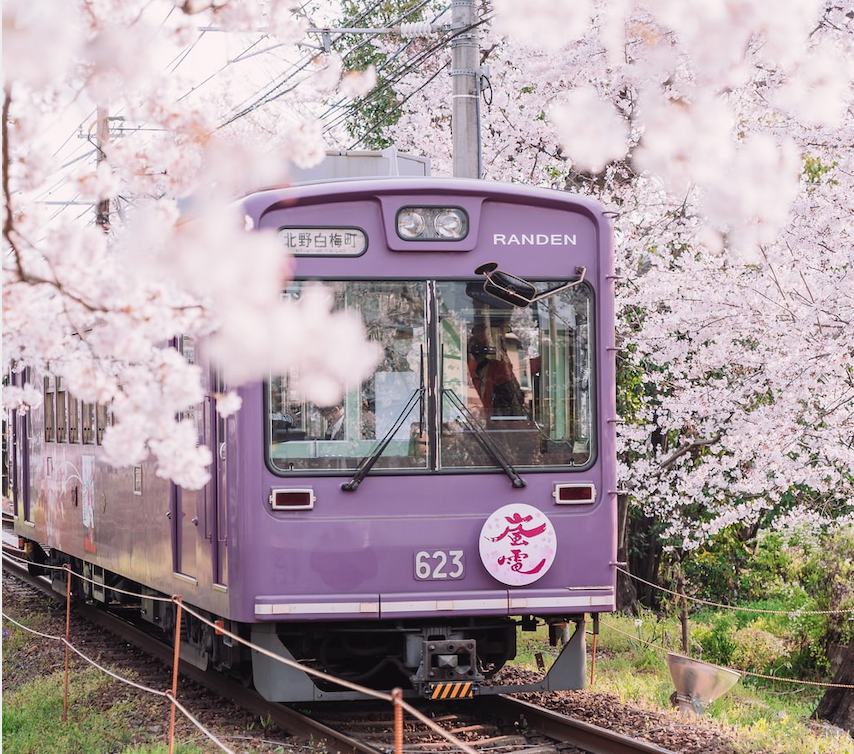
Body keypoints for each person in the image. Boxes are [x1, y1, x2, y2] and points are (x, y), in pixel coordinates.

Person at [467, 323, 526, 417]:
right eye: (476, 343)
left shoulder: (497, 367)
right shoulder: (462, 367)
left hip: (494, 425)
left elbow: (515, 394)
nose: (479, 347)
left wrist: (505, 356)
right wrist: (471, 360)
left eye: (483, 343)